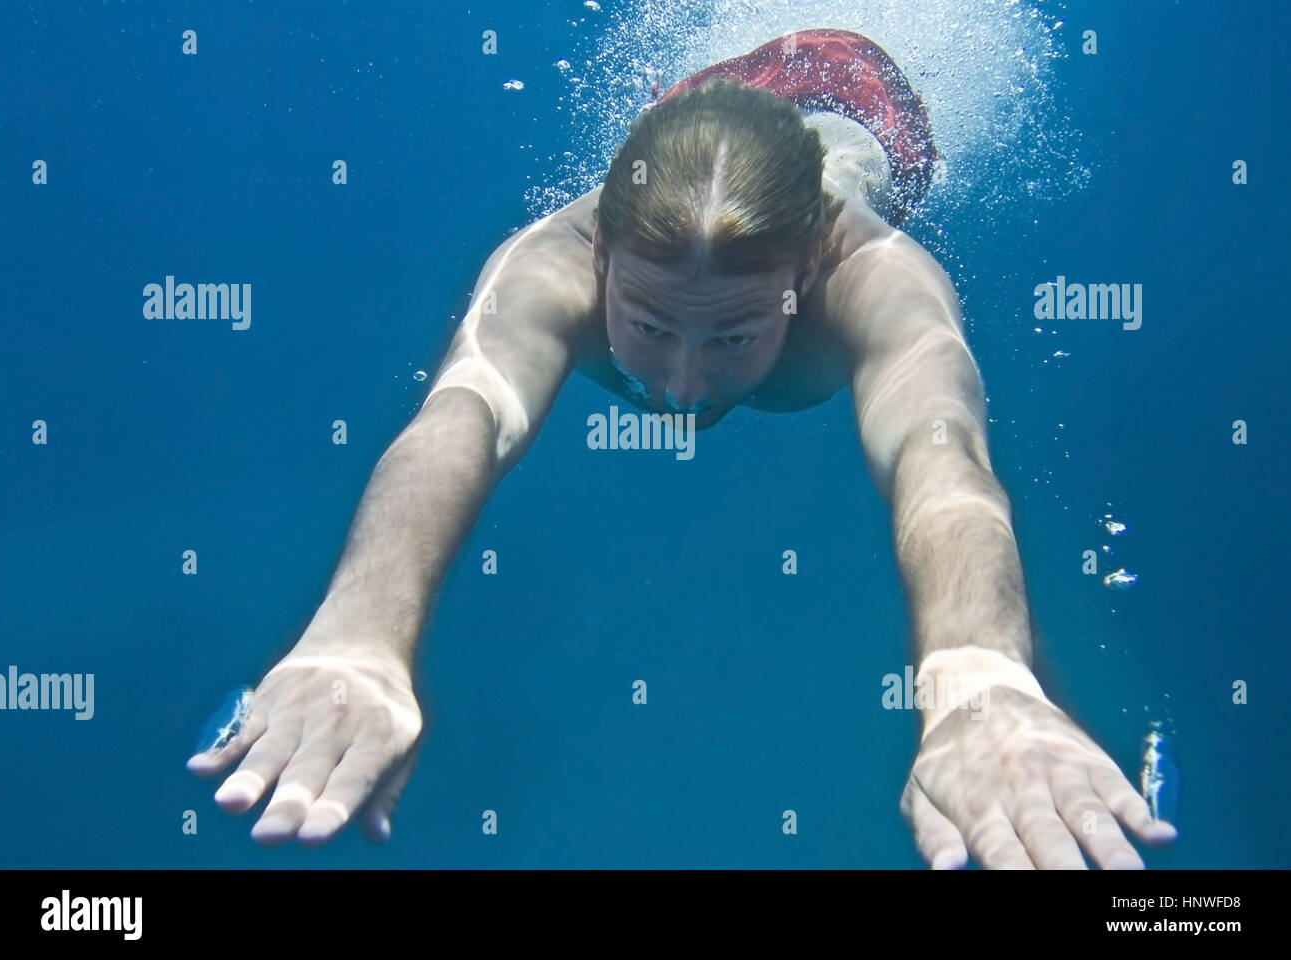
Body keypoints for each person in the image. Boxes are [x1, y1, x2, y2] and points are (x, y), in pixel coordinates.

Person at [186, 29, 1178, 868]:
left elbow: (944, 461)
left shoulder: (875, 280)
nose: (682, 385)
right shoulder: (551, 261)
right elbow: (458, 420)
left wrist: (982, 684)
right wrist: (359, 637)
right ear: (602, 259)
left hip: (861, 94)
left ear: (803, 277)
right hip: (708, 112)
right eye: (650, 324)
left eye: (737, 336)